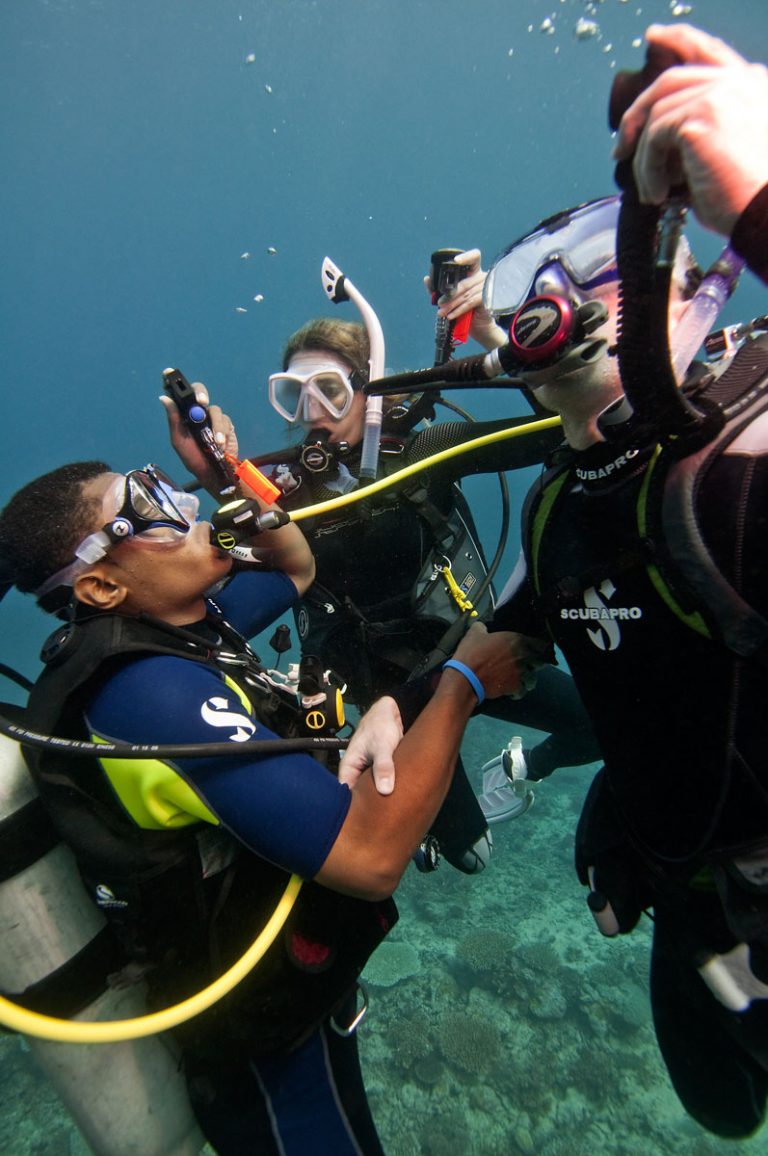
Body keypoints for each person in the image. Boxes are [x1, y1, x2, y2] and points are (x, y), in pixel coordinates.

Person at [350, 24, 768, 1141]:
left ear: (672, 285)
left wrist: (760, 197)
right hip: (685, 890)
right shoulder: (564, 500)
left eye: (587, 260)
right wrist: (412, 696)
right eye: (526, 285)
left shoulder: (735, 465)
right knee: (721, 1109)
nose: (544, 298)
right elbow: (513, 633)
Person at [0, 450, 533, 1155]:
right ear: (99, 586)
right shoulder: (148, 693)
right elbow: (370, 857)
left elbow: (294, 568)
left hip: (285, 980)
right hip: (259, 1041)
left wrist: (228, 475)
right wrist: (464, 681)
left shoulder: (179, 621)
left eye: (163, 485)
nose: (185, 509)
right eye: (148, 508)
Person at [181, 315, 600, 871]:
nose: (312, 413)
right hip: (387, 698)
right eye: (293, 396)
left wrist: (502, 344)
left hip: (472, 656)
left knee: (601, 731)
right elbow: (226, 567)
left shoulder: (428, 449)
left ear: (369, 387)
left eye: (327, 390)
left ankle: (525, 767)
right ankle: (436, 824)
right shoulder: (272, 489)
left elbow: (562, 426)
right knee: (471, 857)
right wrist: (220, 475)